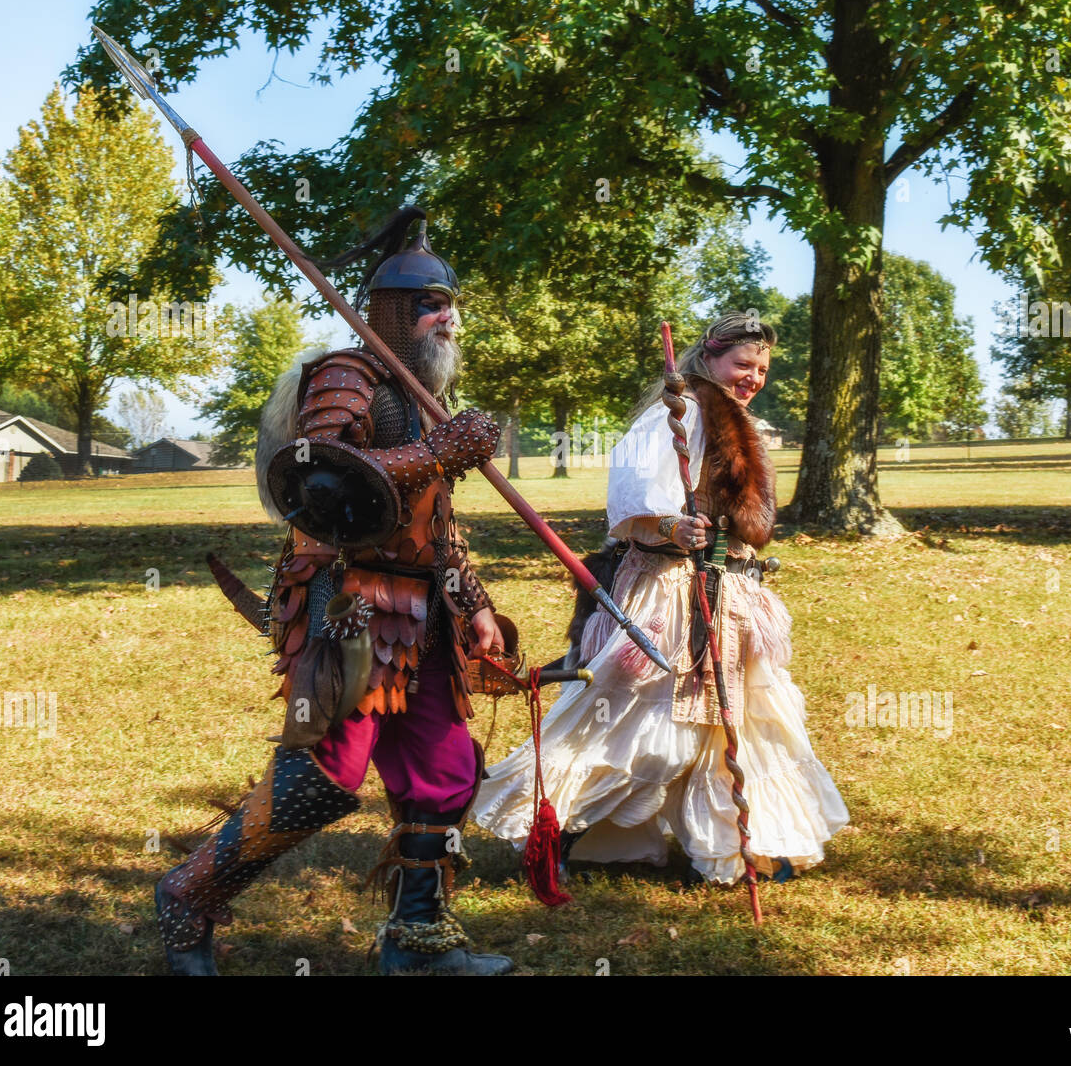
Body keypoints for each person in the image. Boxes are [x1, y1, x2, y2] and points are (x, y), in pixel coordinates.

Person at [154, 207, 515, 975]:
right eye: (429, 304)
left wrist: (474, 599)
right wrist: (439, 448)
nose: (446, 317)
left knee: (446, 771)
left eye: (449, 304)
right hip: (348, 604)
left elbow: (434, 524)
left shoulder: (421, 395)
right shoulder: (347, 376)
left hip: (423, 615)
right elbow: (315, 484)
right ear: (390, 311)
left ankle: (418, 943)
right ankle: (189, 895)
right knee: (323, 773)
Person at [474, 312, 849, 886]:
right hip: (670, 593)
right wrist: (672, 527)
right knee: (640, 724)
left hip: (728, 593)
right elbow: (630, 505)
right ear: (709, 359)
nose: (753, 377)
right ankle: (557, 828)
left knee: (739, 723)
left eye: (762, 369)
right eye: (742, 365)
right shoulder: (674, 417)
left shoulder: (738, 422)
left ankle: (743, 845)